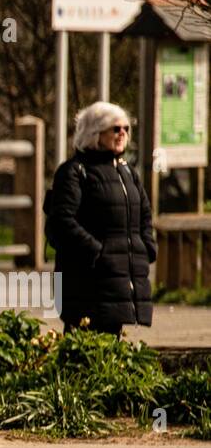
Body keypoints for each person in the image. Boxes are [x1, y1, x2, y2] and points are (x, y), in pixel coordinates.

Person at [46, 101, 156, 337]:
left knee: (111, 345)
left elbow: (145, 215)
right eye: (115, 129)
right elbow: (62, 221)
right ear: (95, 132)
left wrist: (146, 247)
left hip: (118, 282)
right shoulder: (74, 171)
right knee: (82, 350)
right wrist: (98, 252)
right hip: (86, 283)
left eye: (126, 128)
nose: (123, 134)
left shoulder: (127, 172)